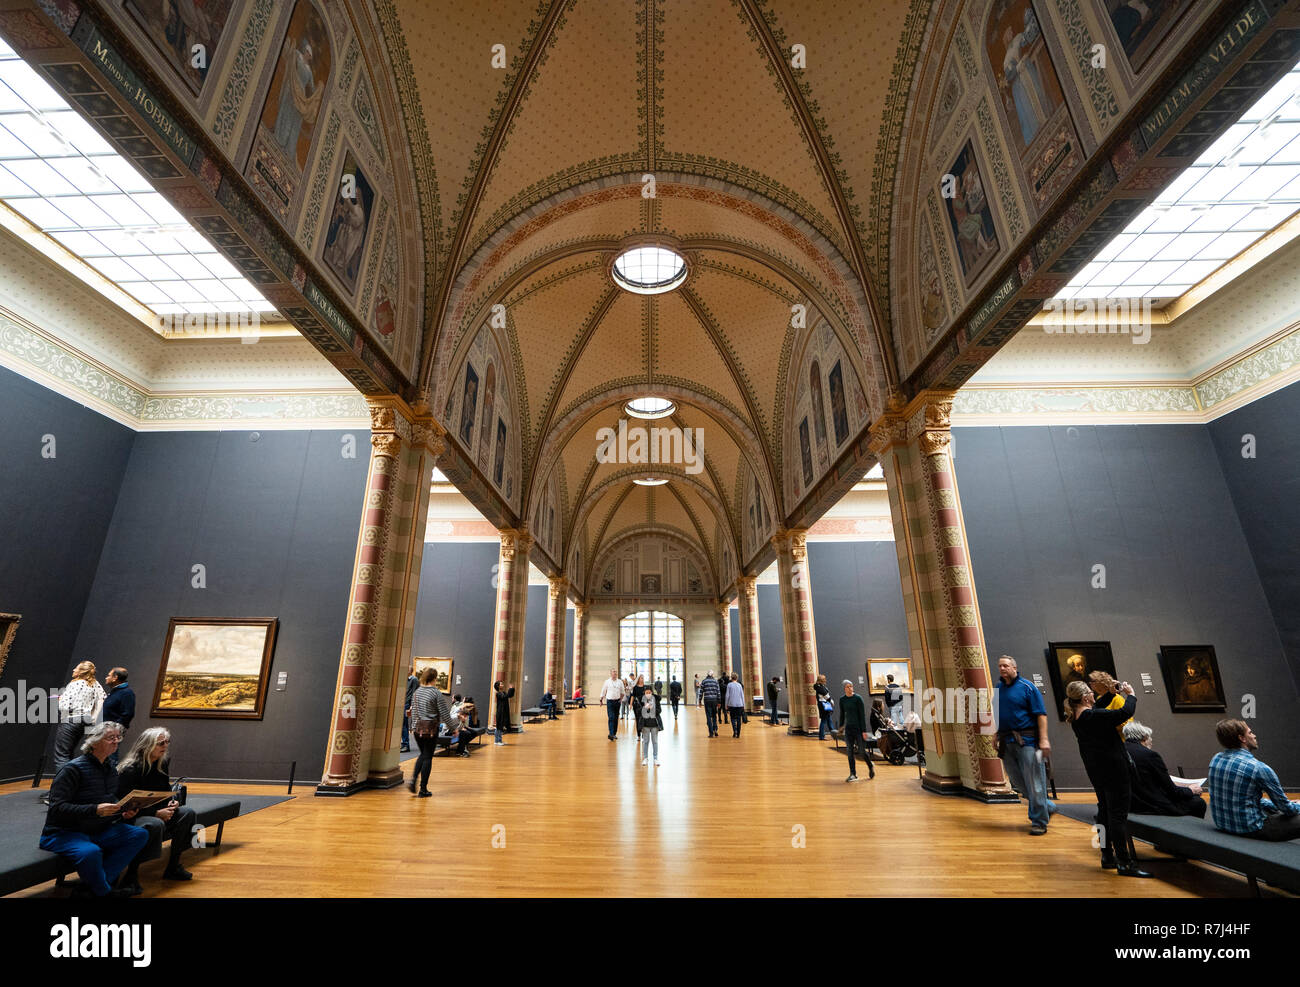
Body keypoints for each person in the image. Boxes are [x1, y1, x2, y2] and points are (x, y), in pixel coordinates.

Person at [38, 721, 149, 898]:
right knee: (91, 852)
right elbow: (57, 807)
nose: (116, 742)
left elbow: (108, 799)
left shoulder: (110, 768)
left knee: (139, 834)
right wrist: (94, 810)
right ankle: (103, 891)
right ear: (94, 741)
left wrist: (123, 811)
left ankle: (91, 888)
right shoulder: (73, 769)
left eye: (117, 737)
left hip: (98, 829)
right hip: (64, 833)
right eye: (110, 738)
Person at [1064, 678, 1150, 877]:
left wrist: (1111, 693)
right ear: (1086, 697)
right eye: (1092, 694)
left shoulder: (1077, 716)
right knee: (1117, 815)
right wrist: (1131, 694)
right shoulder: (1093, 716)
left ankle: (1107, 855)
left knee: (1104, 811)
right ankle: (1125, 862)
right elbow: (1124, 713)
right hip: (1114, 769)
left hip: (1097, 771)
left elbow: (1099, 708)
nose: (1095, 696)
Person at [117, 727, 199, 885]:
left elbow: (165, 790)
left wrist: (173, 803)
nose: (165, 746)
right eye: (160, 743)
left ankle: (173, 866)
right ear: (147, 745)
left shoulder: (161, 764)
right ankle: (131, 875)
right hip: (132, 815)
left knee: (187, 813)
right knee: (154, 823)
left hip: (156, 810)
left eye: (167, 742)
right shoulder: (130, 769)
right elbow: (125, 803)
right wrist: (156, 813)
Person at [1207, 719, 1300, 841]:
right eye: (1250, 733)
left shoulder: (1216, 759)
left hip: (1223, 824)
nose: (1254, 735)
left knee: (1270, 806)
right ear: (1242, 738)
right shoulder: (1259, 768)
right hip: (1250, 829)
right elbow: (1287, 809)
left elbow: (1242, 798)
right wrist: (1297, 806)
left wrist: (1273, 806)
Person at [994, 655, 1054, 835]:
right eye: (1000, 666)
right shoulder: (999, 688)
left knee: (1035, 782)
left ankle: (1039, 821)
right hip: (1006, 742)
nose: (1002, 669)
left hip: (1028, 741)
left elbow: (1041, 714)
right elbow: (998, 713)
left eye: (1005, 665)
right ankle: (1047, 806)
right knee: (1018, 783)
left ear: (1014, 667)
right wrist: (995, 734)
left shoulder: (1028, 687)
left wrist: (1043, 739)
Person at [1123, 722, 1206, 818]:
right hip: (1150, 806)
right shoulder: (1150, 755)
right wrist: (1191, 790)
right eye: (1150, 738)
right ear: (1144, 737)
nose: (1151, 741)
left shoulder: (1120, 751)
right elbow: (1173, 791)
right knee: (1198, 802)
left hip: (1129, 804)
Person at [53, 661, 105, 777]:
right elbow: (102, 699)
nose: (73, 670)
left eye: (75, 668)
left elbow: (65, 706)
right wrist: (94, 717)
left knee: (61, 756)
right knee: (68, 753)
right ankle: (69, 786)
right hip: (85, 721)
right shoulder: (95, 684)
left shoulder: (74, 684)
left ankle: (60, 789)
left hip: (71, 719)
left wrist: (60, 700)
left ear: (81, 671)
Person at [408, 669, 451, 797]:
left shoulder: (417, 692)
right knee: (427, 756)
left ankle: (413, 779)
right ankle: (423, 789)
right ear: (434, 678)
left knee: (423, 754)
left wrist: (414, 727)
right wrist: (454, 728)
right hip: (430, 730)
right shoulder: (436, 693)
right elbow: (444, 713)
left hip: (418, 730)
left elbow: (414, 712)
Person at [101, 668, 135, 771]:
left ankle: (112, 782)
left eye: (109, 675)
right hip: (106, 729)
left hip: (113, 730)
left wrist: (115, 729)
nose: (106, 677)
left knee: (110, 757)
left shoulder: (127, 693)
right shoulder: (116, 691)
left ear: (115, 677)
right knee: (104, 756)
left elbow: (128, 713)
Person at [839, 681, 873, 781]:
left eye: (851, 686)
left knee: (862, 751)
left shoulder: (858, 699)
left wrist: (864, 731)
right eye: (848, 687)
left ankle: (870, 765)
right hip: (849, 729)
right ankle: (853, 774)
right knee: (849, 752)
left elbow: (862, 716)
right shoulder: (842, 700)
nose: (850, 688)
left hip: (858, 729)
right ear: (844, 688)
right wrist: (841, 727)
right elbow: (842, 714)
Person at [599, 671, 624, 740]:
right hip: (610, 701)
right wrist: (601, 700)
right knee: (611, 717)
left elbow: (622, 692)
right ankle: (611, 733)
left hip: (617, 701)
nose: (615, 674)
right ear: (611, 674)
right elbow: (603, 691)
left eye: (616, 673)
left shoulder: (620, 682)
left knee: (616, 718)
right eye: (613, 673)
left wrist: (620, 699)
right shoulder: (607, 681)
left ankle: (614, 733)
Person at [640, 687, 662, 766]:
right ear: (644, 693)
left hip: (654, 724)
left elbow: (660, 710)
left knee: (655, 741)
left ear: (652, 693)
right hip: (645, 724)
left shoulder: (656, 700)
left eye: (649, 692)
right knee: (645, 741)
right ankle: (645, 758)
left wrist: (653, 709)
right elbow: (639, 711)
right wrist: (644, 708)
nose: (648, 694)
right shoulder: (641, 700)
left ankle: (655, 758)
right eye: (646, 692)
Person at [401, 663, 418, 753]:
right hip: (402, 703)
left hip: (407, 704)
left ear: (410, 671)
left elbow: (414, 693)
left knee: (404, 725)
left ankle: (405, 744)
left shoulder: (414, 679)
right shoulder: (405, 679)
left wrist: (412, 706)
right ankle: (403, 743)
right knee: (402, 725)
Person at [492, 680, 515, 746]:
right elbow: (505, 697)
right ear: (498, 686)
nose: (502, 684)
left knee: (501, 726)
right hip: (500, 712)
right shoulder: (498, 694)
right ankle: (496, 741)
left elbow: (509, 695)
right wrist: (510, 689)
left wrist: (512, 689)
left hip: (504, 711)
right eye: (501, 684)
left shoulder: (504, 692)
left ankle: (500, 740)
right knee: (498, 726)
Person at [699, 671, 721, 737]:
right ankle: (715, 730)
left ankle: (711, 733)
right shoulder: (715, 681)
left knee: (708, 716)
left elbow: (701, 692)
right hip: (714, 700)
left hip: (707, 700)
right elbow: (718, 692)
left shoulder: (704, 681)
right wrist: (719, 701)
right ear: (712, 675)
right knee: (714, 715)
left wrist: (699, 700)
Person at [725, 673, 745, 738]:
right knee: (739, 719)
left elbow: (727, 696)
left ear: (731, 678)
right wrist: (743, 704)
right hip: (740, 704)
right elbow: (742, 695)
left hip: (732, 704)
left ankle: (735, 731)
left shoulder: (729, 685)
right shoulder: (739, 685)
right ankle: (738, 733)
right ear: (737, 678)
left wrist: (726, 704)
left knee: (733, 718)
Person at [814, 674, 833, 740]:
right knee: (824, 721)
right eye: (824, 679)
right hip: (823, 705)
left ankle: (834, 735)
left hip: (823, 704)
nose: (825, 680)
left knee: (829, 720)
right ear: (821, 681)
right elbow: (826, 696)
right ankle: (821, 736)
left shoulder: (820, 686)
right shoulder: (820, 687)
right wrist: (832, 701)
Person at [631, 675, 647, 743]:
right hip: (637, 706)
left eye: (643, 678)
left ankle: (643, 735)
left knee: (644, 720)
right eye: (641, 678)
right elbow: (633, 696)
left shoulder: (646, 687)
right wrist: (630, 704)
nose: (642, 679)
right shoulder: (635, 688)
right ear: (638, 679)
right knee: (638, 720)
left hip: (644, 706)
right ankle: (638, 735)